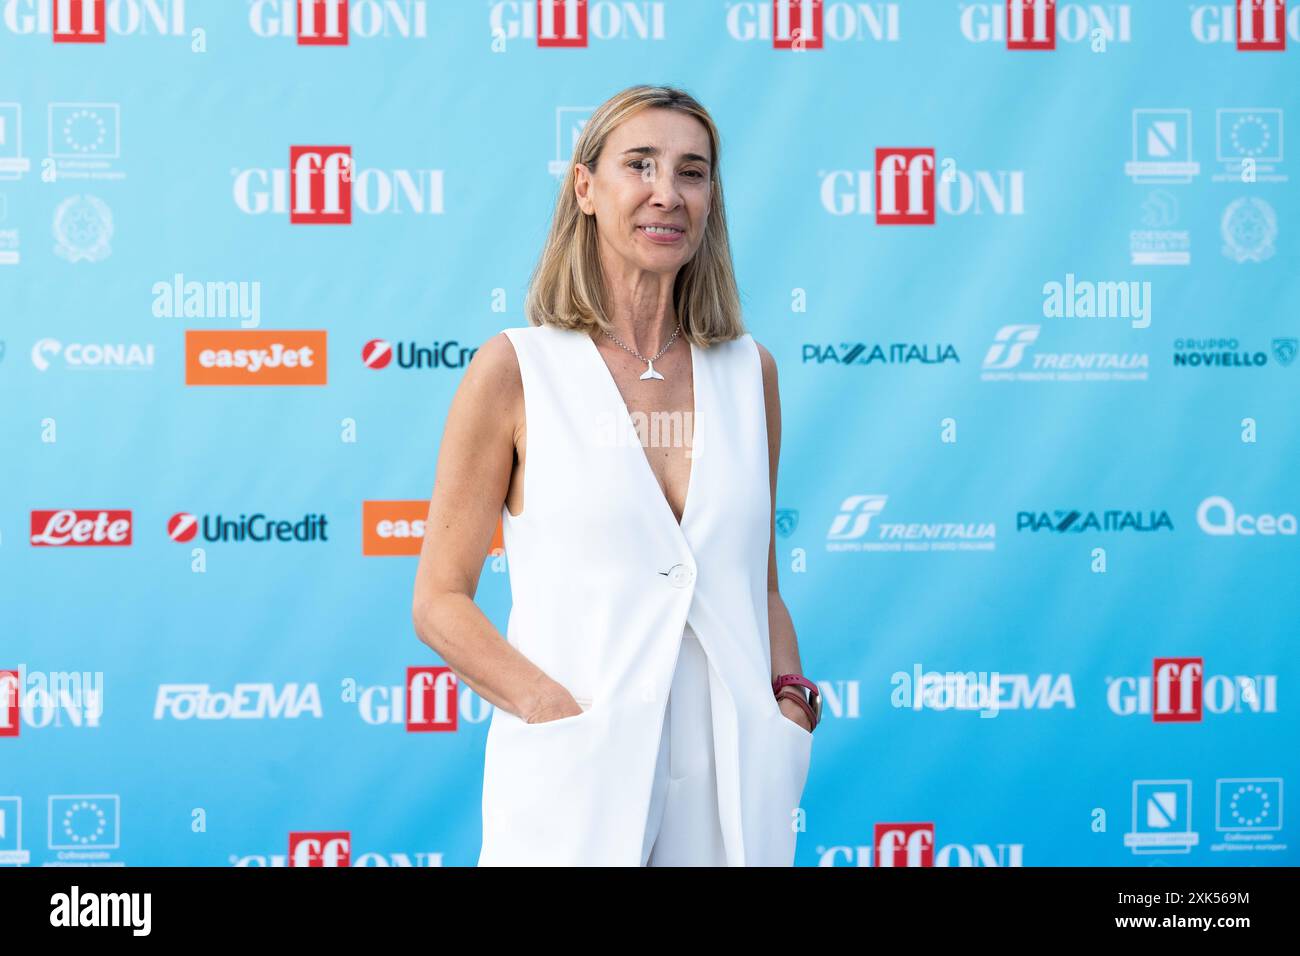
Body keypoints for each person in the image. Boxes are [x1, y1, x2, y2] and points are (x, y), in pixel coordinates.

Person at [411, 84, 820, 867]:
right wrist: (548, 709)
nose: (668, 192)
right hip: (577, 776)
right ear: (587, 189)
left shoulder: (749, 372)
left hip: (733, 784)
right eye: (641, 164)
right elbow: (439, 600)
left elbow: (759, 585)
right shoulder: (515, 369)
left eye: (693, 172)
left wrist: (792, 705)